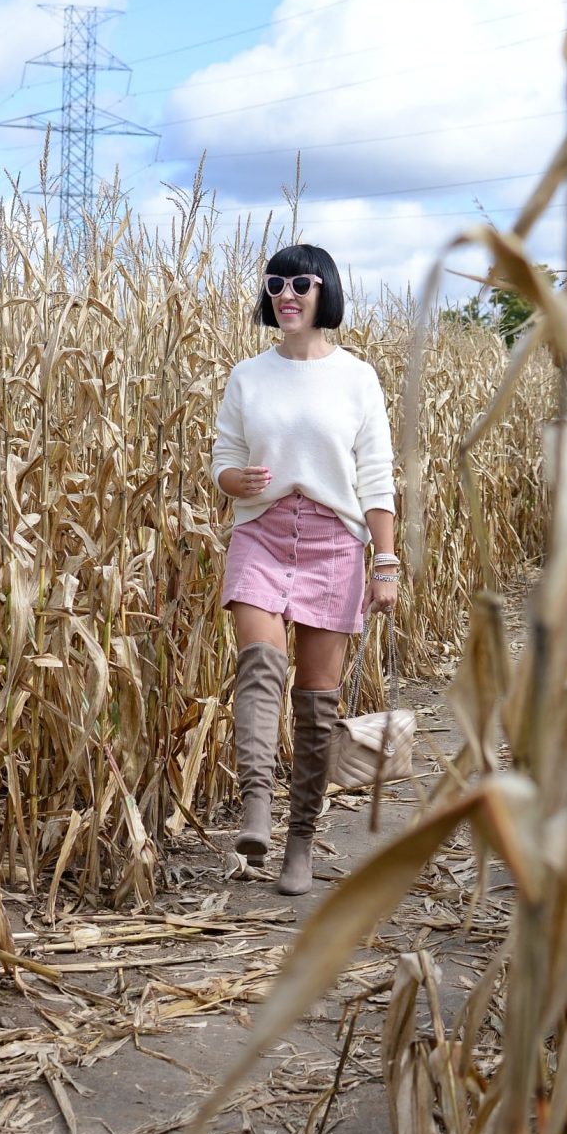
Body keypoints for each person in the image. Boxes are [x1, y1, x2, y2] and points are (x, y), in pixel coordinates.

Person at [212, 243, 399, 896]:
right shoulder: (248, 376)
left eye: (300, 283)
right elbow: (223, 460)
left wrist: (385, 562)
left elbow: (376, 476)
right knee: (260, 665)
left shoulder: (357, 378)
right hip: (261, 532)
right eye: (275, 283)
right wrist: (236, 479)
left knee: (317, 703)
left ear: (326, 292)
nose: (286, 295)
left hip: (333, 542)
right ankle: (256, 808)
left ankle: (300, 842)